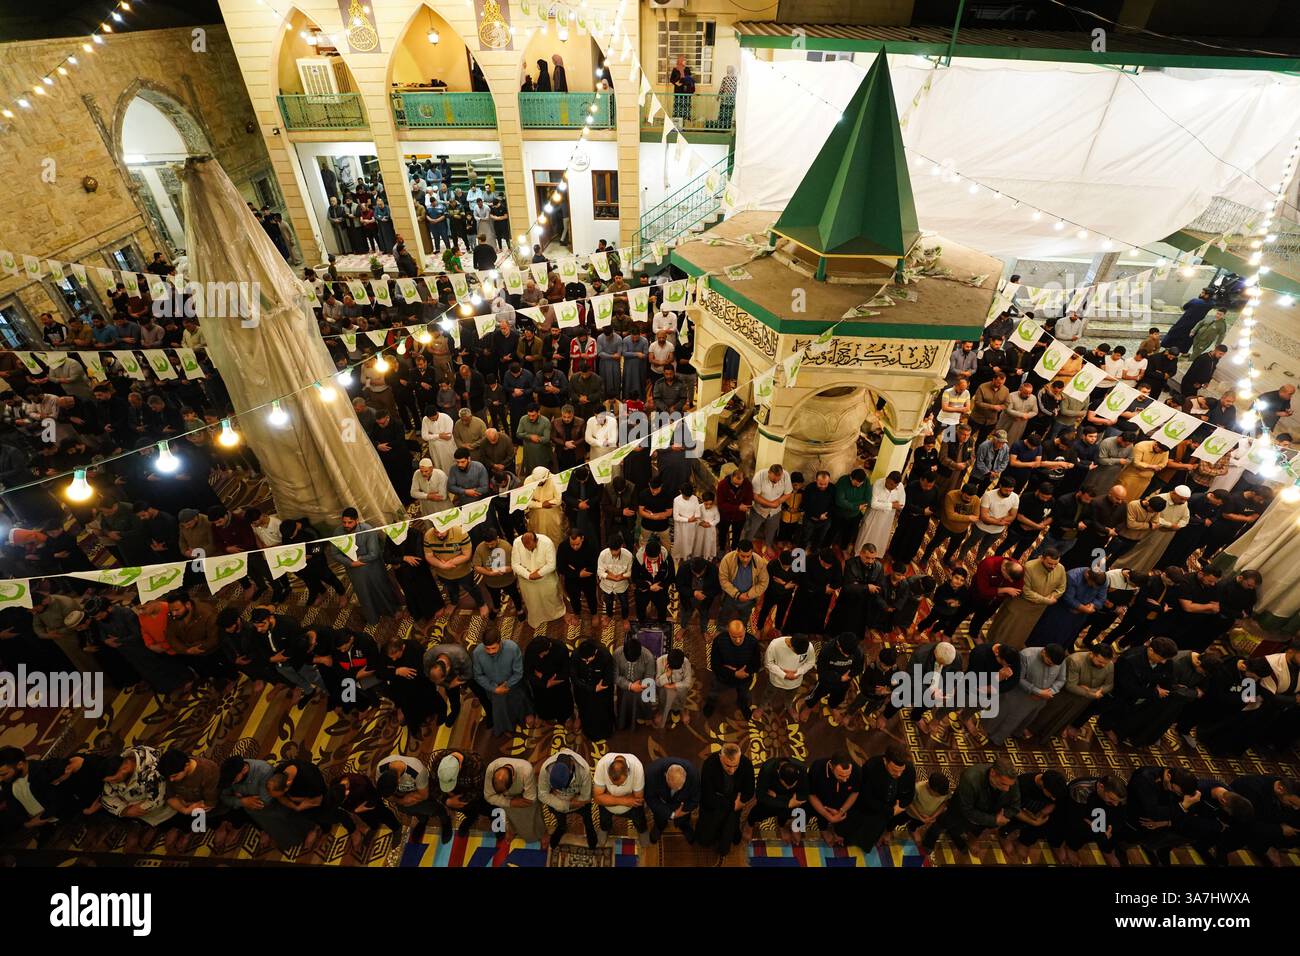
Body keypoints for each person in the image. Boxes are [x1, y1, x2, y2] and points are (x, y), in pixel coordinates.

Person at [922, 758, 1021, 854]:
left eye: (1010, 785)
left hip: (985, 817)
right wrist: (994, 820)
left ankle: (954, 834)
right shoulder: (970, 778)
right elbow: (967, 810)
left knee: (961, 829)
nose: (1007, 789)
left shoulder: (1010, 780)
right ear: (993, 773)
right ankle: (930, 839)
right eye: (1003, 784)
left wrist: (1001, 817)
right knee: (943, 822)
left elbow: (1015, 805)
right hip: (959, 811)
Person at [986, 549, 1066, 649]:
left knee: (1022, 632)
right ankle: (993, 647)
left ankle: (1011, 650)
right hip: (1020, 606)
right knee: (1006, 630)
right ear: (1042, 558)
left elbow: (1061, 587)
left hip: (1037, 609)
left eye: (1056, 564)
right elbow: (1026, 591)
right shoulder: (1029, 567)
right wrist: (1046, 600)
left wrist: (1053, 596)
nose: (1053, 567)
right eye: (1050, 564)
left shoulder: (1060, 568)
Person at [694, 743, 755, 864]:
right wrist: (733, 805)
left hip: (734, 803)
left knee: (726, 846)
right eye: (728, 765)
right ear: (721, 757)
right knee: (704, 841)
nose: (732, 770)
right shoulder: (709, 764)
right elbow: (708, 797)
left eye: (735, 766)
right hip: (715, 805)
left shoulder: (746, 764)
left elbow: (749, 791)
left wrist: (739, 801)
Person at [855, 743, 917, 850]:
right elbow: (865, 796)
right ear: (885, 761)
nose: (898, 775)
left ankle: (887, 831)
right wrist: (890, 811)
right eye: (894, 770)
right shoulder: (871, 767)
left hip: (897, 808)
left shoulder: (910, 770)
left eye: (901, 771)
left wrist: (899, 808)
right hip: (874, 808)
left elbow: (910, 794)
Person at [471, 629, 533, 737]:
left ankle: (525, 715)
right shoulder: (477, 653)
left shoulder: (512, 648)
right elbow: (478, 675)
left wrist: (507, 685)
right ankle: (507, 727)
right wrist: (494, 688)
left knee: (519, 701)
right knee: (500, 709)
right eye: (487, 648)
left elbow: (518, 672)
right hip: (493, 688)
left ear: (500, 642)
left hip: (513, 684)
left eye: (493, 648)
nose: (490, 652)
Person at [538, 749, 599, 848]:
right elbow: (542, 794)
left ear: (571, 770)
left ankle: (589, 829)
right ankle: (561, 827)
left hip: (576, 801)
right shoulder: (545, 769)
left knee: (587, 816)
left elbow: (586, 797)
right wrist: (565, 804)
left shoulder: (584, 770)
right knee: (559, 817)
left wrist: (557, 796)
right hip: (562, 802)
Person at [704, 618, 761, 720]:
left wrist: (745, 672)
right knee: (714, 691)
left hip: (744, 678)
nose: (738, 640)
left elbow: (756, 665)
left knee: (744, 695)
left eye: (740, 636)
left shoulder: (753, 642)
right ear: (728, 632)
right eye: (734, 637)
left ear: (745, 631)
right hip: (723, 678)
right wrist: (734, 673)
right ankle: (711, 703)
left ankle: (743, 705)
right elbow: (714, 665)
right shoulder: (719, 641)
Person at [485, 757, 547, 846]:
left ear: (513, 778)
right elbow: (489, 796)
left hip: (526, 799)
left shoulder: (526, 770)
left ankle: (542, 832)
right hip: (509, 802)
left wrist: (505, 800)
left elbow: (530, 800)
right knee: (510, 815)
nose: (504, 793)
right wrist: (509, 802)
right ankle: (511, 830)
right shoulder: (491, 768)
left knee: (535, 816)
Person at [511, 530, 566, 630]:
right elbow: (515, 564)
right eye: (525, 546)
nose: (528, 548)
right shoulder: (517, 543)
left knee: (551, 598)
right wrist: (528, 575)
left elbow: (552, 564)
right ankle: (537, 619)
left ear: (536, 541)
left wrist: (539, 573)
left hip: (546, 579)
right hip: (527, 582)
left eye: (530, 546)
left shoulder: (547, 542)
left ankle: (556, 614)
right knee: (532, 602)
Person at [807, 752, 862, 847]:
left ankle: (837, 830)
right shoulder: (817, 767)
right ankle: (823, 830)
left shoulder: (857, 770)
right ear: (831, 768)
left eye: (848, 775)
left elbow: (855, 792)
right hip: (822, 802)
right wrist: (827, 815)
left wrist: (841, 811)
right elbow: (811, 795)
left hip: (842, 802)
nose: (845, 780)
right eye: (841, 776)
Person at [593, 753, 649, 845]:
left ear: (628, 772)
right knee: (604, 820)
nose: (617, 787)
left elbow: (638, 798)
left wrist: (608, 796)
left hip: (631, 806)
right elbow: (597, 798)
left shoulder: (637, 767)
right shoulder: (602, 764)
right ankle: (605, 829)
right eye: (613, 784)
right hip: (609, 806)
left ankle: (642, 830)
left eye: (621, 784)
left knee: (639, 818)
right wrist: (625, 800)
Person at [645, 757, 700, 844]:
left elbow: (695, 799)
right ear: (665, 774)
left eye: (679, 788)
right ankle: (659, 826)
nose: (675, 790)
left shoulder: (694, 775)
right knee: (659, 817)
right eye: (672, 787)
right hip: (662, 802)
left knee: (684, 819)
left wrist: (683, 812)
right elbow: (650, 798)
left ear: (686, 776)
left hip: (682, 804)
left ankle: (684, 825)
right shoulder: (652, 773)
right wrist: (671, 814)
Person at [570, 638, 616, 741]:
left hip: (602, 692)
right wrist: (591, 688)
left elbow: (608, 677)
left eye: (588, 660)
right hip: (584, 690)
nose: (586, 663)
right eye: (584, 660)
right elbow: (574, 677)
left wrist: (598, 688)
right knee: (586, 711)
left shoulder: (605, 656)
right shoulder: (576, 655)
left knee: (603, 713)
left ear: (595, 652)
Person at [855, 470, 904, 555]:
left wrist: (884, 504)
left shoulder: (900, 487)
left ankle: (875, 555)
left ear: (897, 484)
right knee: (866, 534)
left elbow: (901, 504)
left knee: (881, 536)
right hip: (873, 515)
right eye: (888, 482)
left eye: (892, 485)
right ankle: (859, 553)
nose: (889, 485)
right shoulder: (878, 483)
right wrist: (891, 505)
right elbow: (873, 504)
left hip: (887, 518)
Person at [655, 647, 694, 727]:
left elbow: (687, 683)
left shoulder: (686, 662)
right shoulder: (660, 661)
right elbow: (658, 683)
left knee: (683, 690)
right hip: (664, 688)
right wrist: (667, 674)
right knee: (662, 693)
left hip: (678, 688)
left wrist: (673, 686)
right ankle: (661, 711)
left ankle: (681, 710)